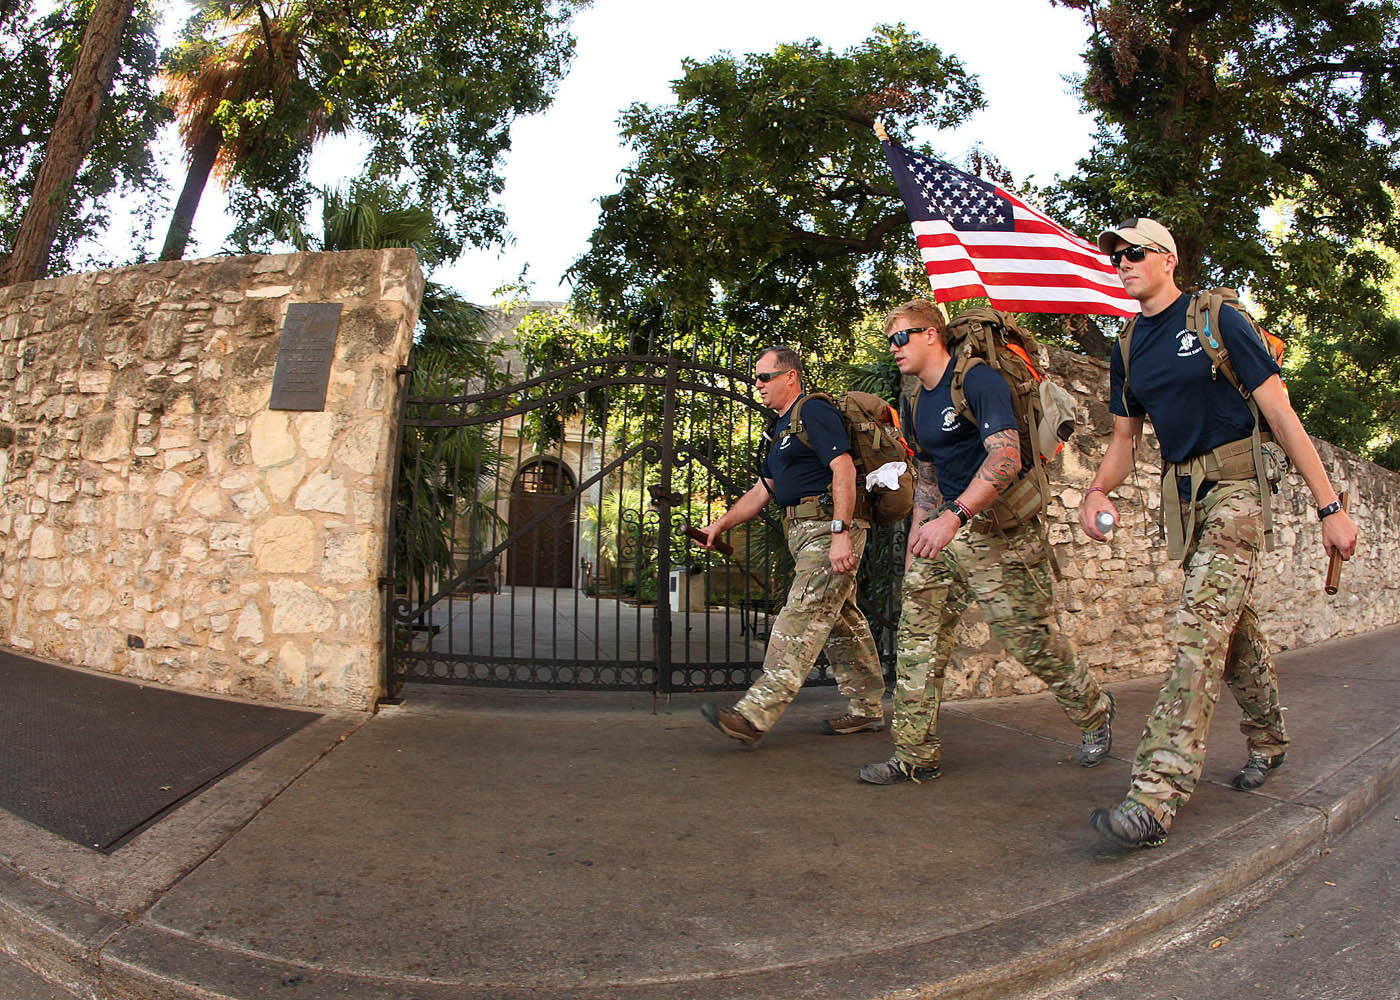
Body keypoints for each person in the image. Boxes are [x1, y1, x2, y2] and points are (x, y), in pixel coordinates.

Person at [1082, 218, 1358, 847]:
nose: (1121, 263)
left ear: (1167, 260)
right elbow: (1126, 443)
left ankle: (1155, 795)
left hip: (1237, 491)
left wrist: (1329, 506)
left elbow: (1281, 413)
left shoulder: (1215, 320)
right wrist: (1097, 489)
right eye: (1115, 256)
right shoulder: (1127, 348)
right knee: (1230, 629)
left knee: (1198, 630)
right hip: (1184, 500)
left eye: (1133, 253)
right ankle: (1270, 737)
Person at [858, 300, 1115, 785]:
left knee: (1030, 639)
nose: (894, 349)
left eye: (902, 338)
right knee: (918, 637)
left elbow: (1005, 460)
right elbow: (929, 473)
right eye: (889, 340)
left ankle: (1094, 710)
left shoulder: (979, 381)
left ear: (931, 335)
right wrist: (920, 530)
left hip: (1000, 531)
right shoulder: (915, 398)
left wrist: (954, 517)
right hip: (944, 530)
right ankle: (915, 754)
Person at [697, 346, 886, 746]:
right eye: (755, 378)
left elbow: (844, 468)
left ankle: (753, 714)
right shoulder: (781, 430)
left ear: (790, 377)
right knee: (842, 621)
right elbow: (764, 490)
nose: (757, 385)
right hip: (803, 534)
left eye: (764, 377)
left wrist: (840, 533)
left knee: (799, 617)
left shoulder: (814, 412)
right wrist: (720, 524)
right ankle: (868, 709)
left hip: (827, 529)